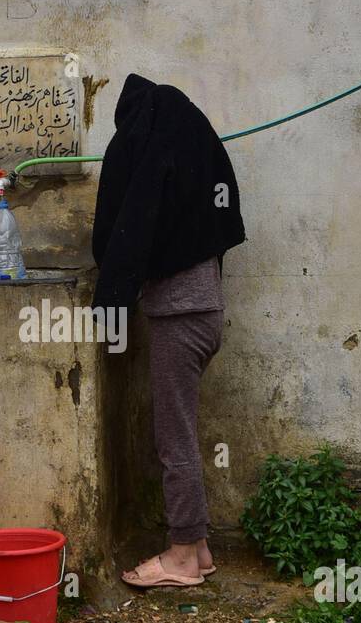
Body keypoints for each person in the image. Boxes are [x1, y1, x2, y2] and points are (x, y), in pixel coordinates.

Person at [90, 74, 246, 588]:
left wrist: (110, 300)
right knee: (180, 431)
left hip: (180, 316)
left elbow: (134, 218)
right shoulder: (193, 155)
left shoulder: (155, 148)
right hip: (204, 311)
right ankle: (197, 548)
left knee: (173, 438)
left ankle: (180, 555)